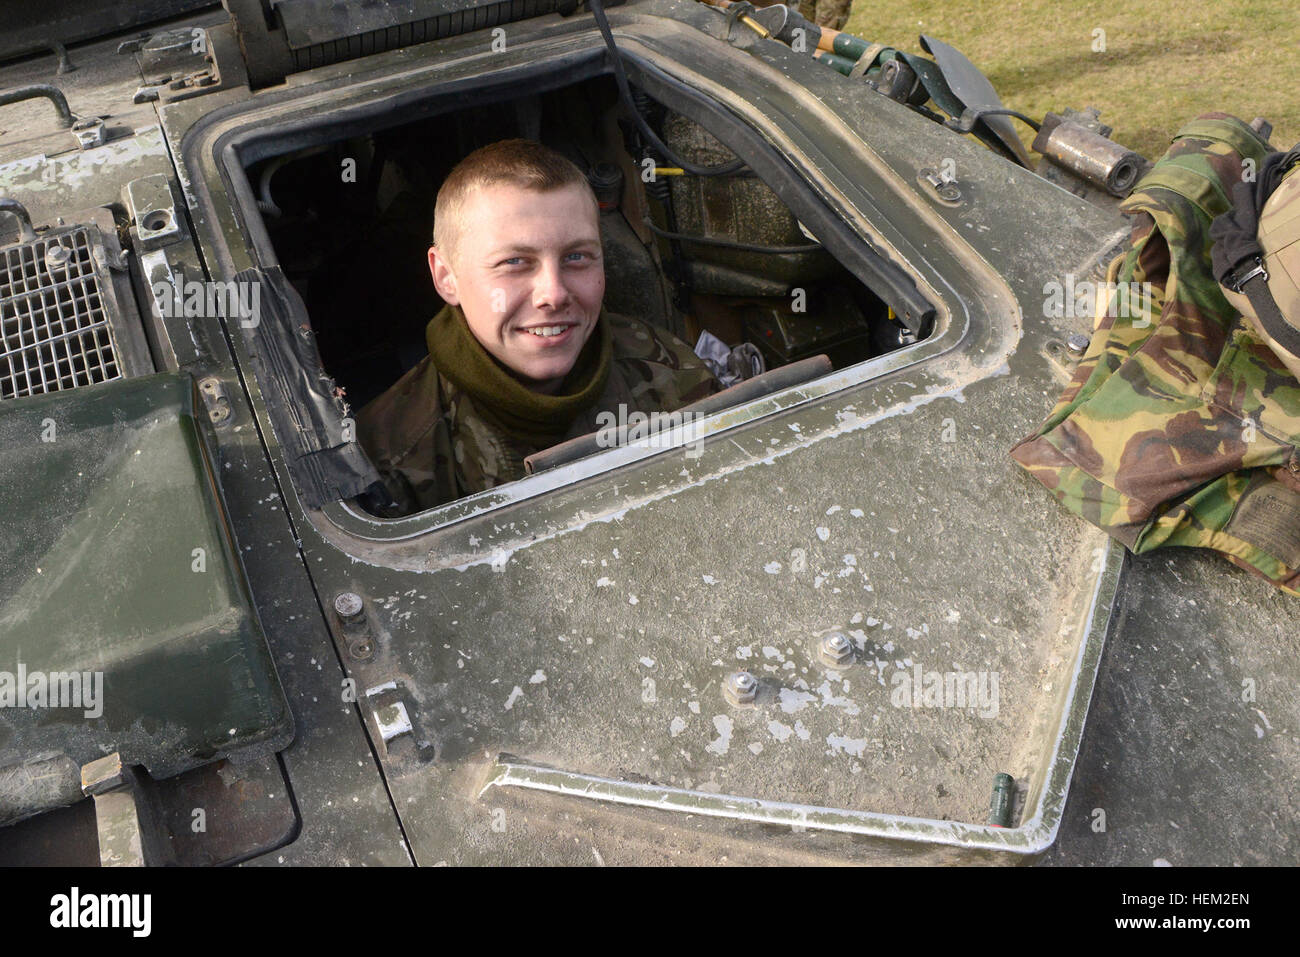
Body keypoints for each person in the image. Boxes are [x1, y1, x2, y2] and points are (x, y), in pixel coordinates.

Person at [357, 139, 720, 514]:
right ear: (447, 277)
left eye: (577, 257)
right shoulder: (385, 462)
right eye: (515, 262)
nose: (554, 294)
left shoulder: (672, 371)